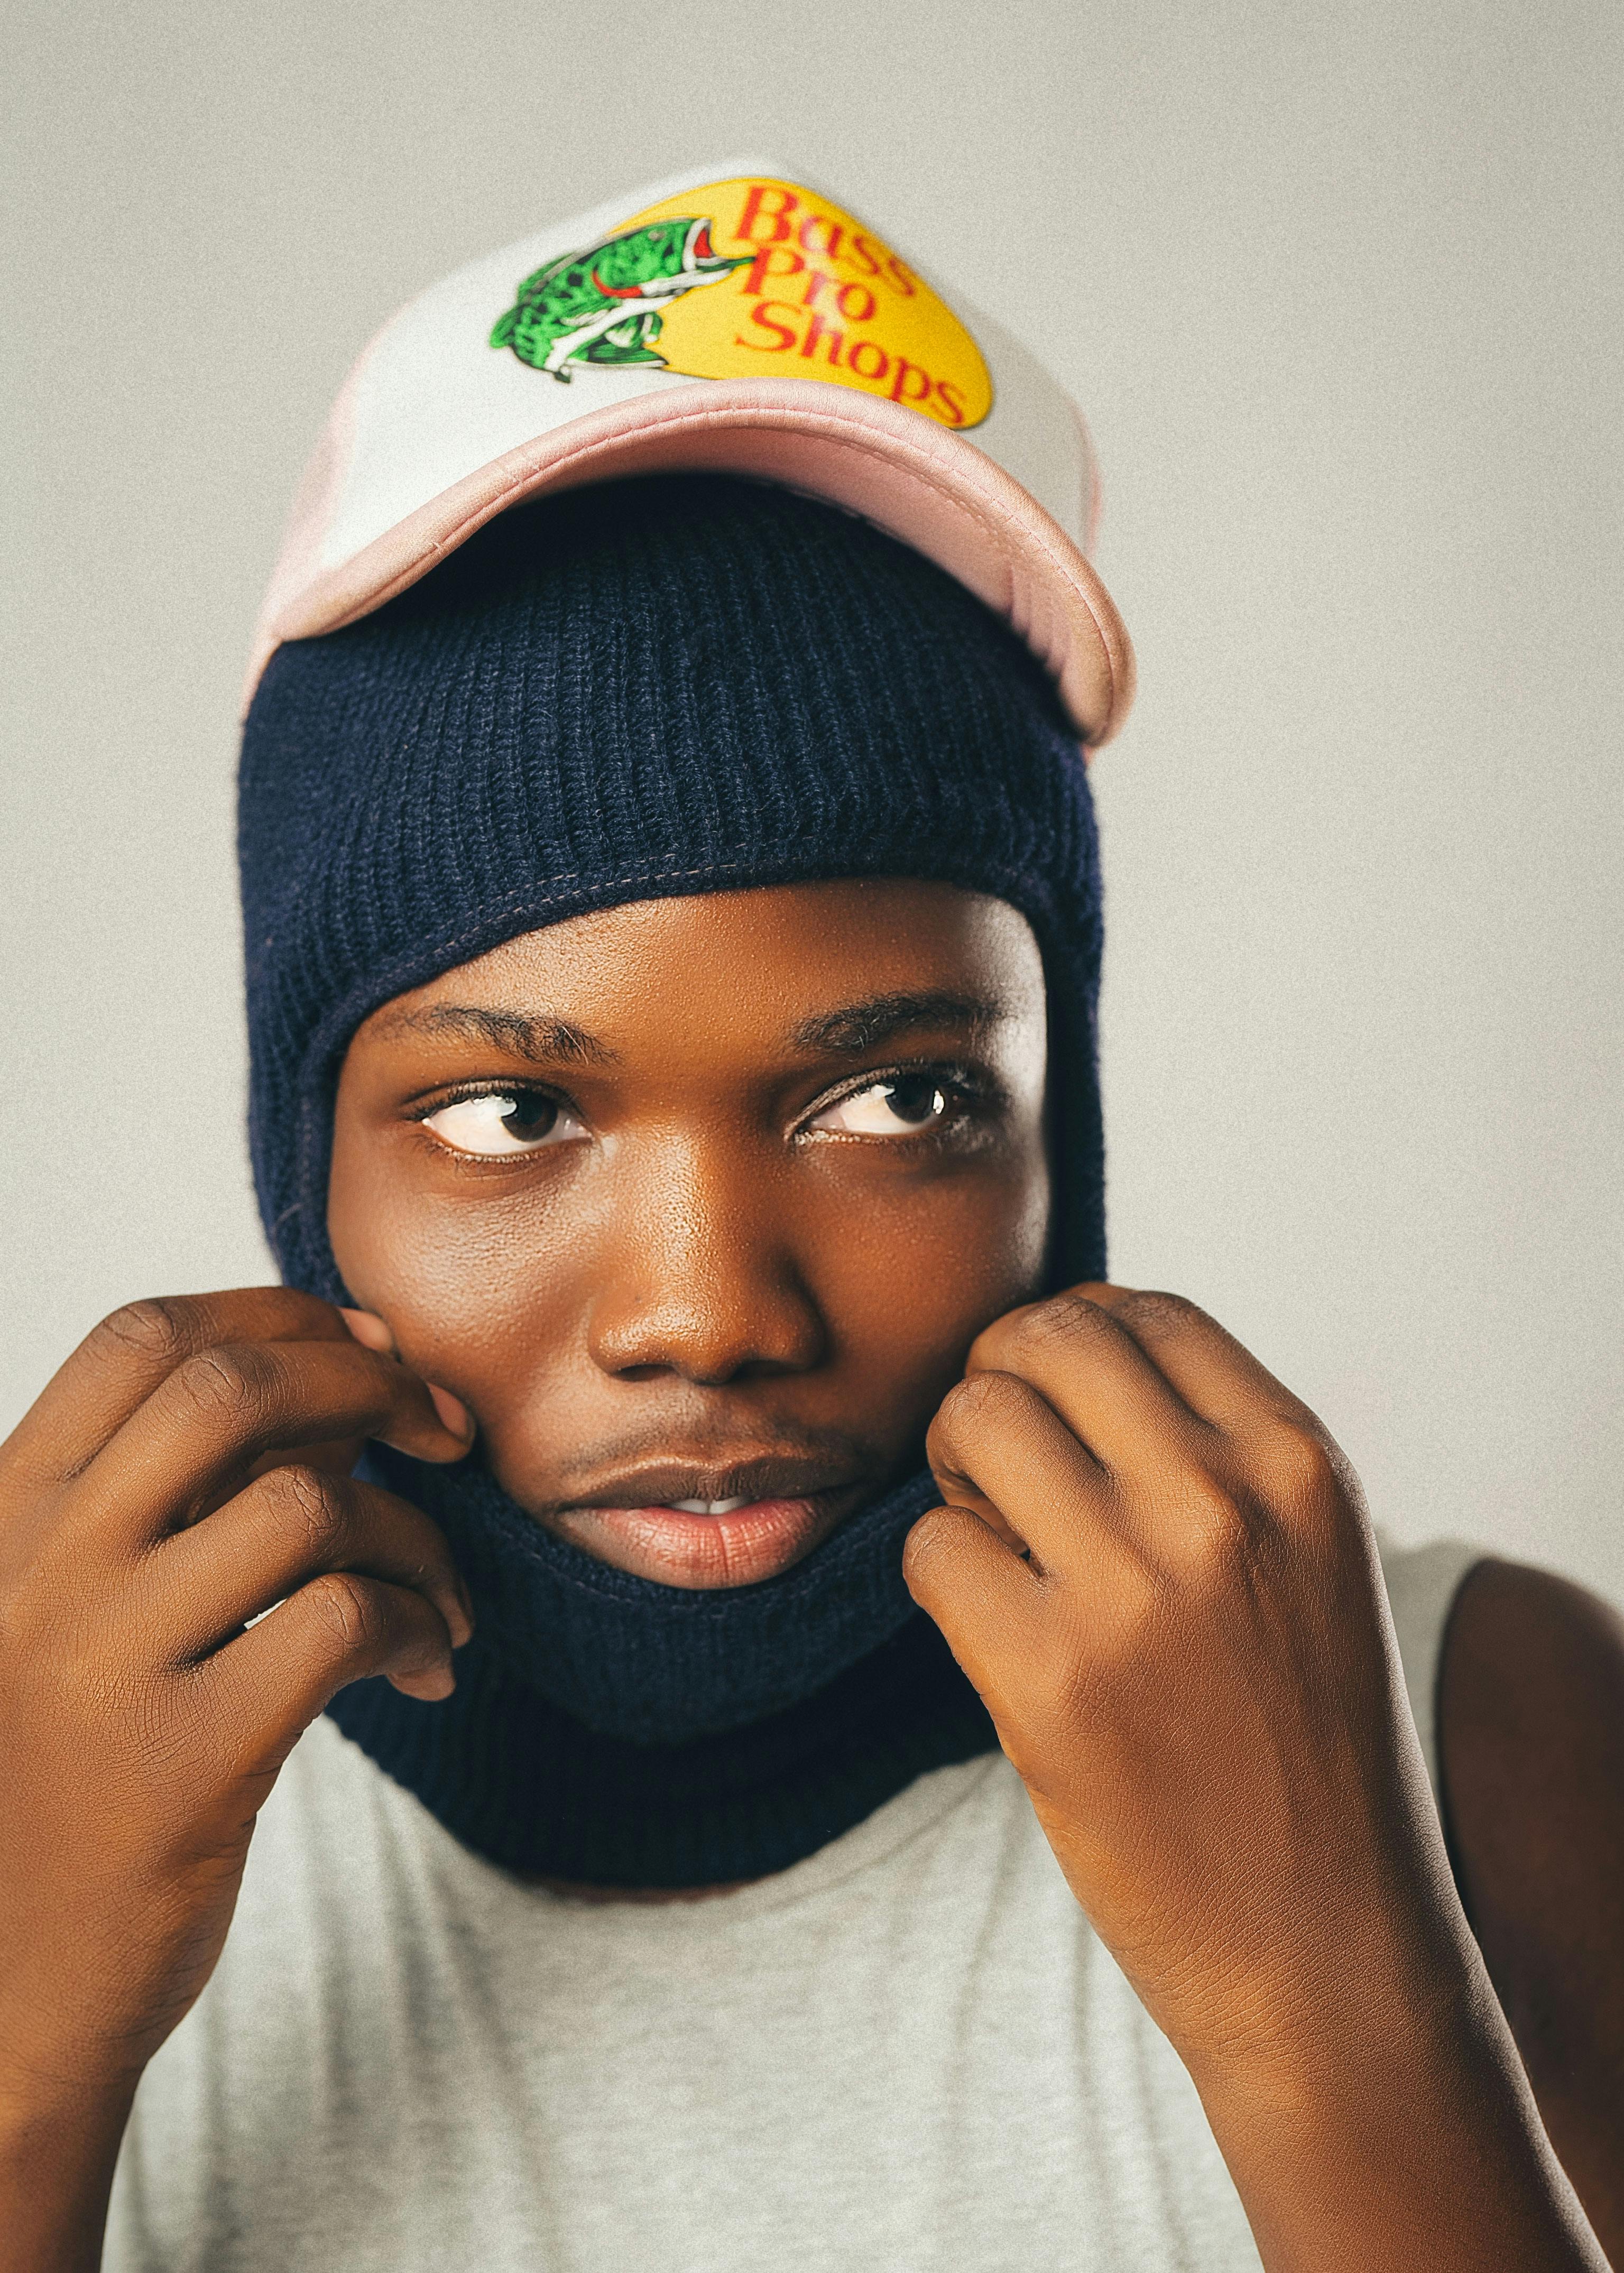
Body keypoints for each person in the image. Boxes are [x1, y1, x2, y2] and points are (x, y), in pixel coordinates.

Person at [1, 167, 1620, 2273]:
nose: (705, 1313)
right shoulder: (43, 1793)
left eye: (900, 1098)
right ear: (303, 1148)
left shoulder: (1476, 1727)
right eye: (510, 1110)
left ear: (1068, 1121)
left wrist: (1326, 2006)